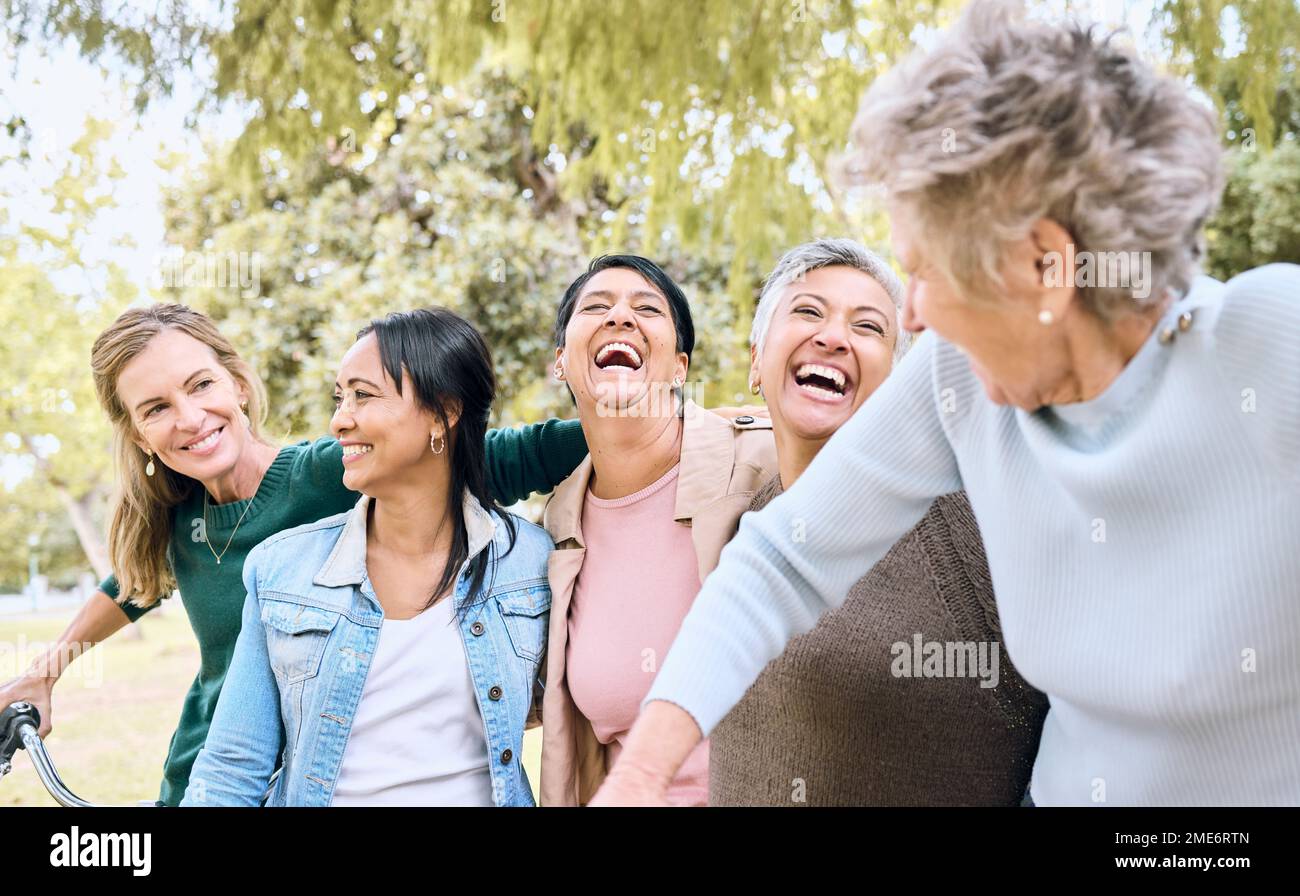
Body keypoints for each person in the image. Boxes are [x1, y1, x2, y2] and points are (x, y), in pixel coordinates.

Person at [595, 0, 1300, 807]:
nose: (912, 313)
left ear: (1044, 265)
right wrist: (642, 774)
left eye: (925, 270)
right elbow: (780, 560)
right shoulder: (957, 381)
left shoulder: (1272, 345)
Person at [0, 303, 586, 806]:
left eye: (201, 385)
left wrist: (637, 428)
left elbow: (500, 456)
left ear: (237, 383)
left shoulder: (329, 474)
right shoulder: (178, 515)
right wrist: (44, 671)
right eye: (155, 409)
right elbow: (131, 587)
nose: (189, 418)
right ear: (136, 433)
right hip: (203, 781)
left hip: (307, 777)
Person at [709, 238, 1046, 806]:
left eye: (868, 327)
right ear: (755, 360)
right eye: (808, 311)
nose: (833, 336)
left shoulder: (964, 521)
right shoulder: (746, 517)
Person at [183, 308, 551, 806]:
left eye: (363, 395)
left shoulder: (529, 560)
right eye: (339, 397)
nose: (340, 420)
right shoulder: (282, 570)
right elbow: (232, 769)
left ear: (444, 412)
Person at [538, 255, 777, 805]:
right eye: (596, 306)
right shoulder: (555, 533)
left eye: (647, 308)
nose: (620, 316)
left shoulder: (767, 463)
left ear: (679, 367)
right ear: (561, 363)